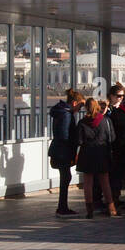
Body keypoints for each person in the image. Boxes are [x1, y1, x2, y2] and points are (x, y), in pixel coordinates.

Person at [75, 97, 116, 217]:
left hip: (87, 154)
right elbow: (112, 137)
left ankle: (89, 210)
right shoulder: (105, 121)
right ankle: (111, 207)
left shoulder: (82, 123)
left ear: (86, 108)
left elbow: (79, 140)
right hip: (102, 153)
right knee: (105, 182)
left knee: (88, 183)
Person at [48, 87, 83, 216]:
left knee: (65, 177)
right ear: (74, 103)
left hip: (58, 150)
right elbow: (65, 135)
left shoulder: (60, 112)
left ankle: (62, 206)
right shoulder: (67, 115)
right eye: (79, 107)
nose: (79, 111)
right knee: (65, 178)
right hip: (63, 152)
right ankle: (62, 207)